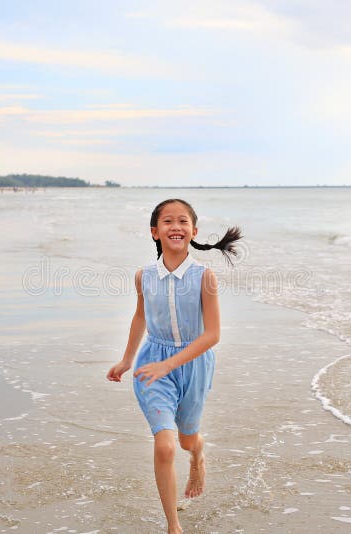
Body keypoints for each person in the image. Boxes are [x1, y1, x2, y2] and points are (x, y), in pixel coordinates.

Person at [107, 199, 242, 533]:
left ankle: (198, 456)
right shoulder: (144, 276)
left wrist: (171, 364)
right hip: (152, 367)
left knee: (185, 442)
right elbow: (141, 316)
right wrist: (127, 359)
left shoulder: (203, 277)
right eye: (168, 221)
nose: (175, 226)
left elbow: (212, 335)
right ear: (155, 232)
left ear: (194, 231)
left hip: (194, 366)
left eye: (183, 221)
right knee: (165, 447)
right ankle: (173, 526)